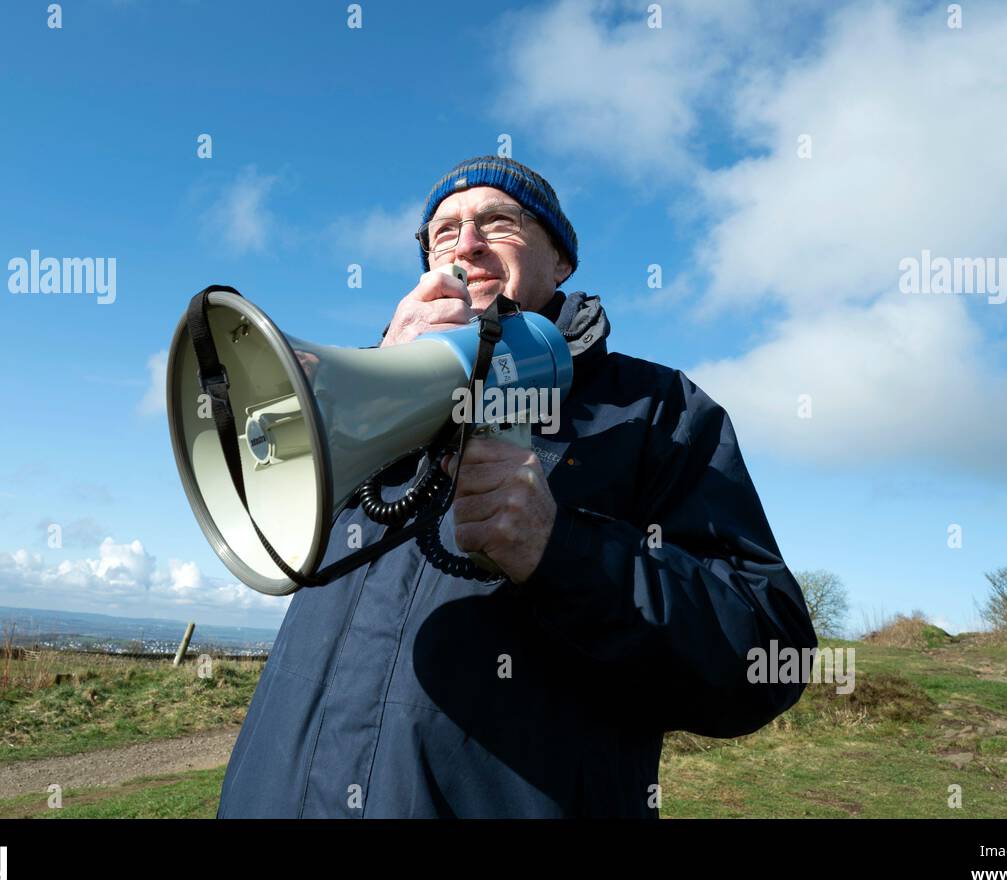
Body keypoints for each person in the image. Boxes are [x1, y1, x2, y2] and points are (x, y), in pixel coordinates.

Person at [216, 155, 817, 818]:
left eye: (497, 222)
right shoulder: (354, 391)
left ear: (561, 260)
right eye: (442, 233)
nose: (465, 243)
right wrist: (361, 388)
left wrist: (565, 552)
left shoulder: (655, 410)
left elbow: (770, 651)